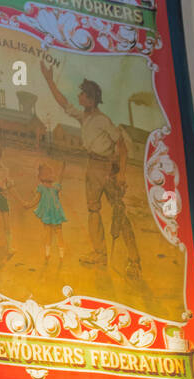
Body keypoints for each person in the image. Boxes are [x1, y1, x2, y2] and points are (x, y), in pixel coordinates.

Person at [39, 63, 141, 281]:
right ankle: (100, 254)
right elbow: (63, 103)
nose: (79, 96)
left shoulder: (103, 120)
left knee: (118, 213)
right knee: (93, 212)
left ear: (91, 98)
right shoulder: (84, 118)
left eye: (82, 94)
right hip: (92, 168)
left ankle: (134, 261)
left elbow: (121, 145)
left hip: (107, 169)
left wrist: (121, 174)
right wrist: (49, 80)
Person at [16, 161, 67, 260]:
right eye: (48, 173)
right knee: (48, 233)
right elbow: (36, 199)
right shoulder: (41, 188)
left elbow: (60, 178)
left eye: (51, 172)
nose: (51, 175)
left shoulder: (55, 186)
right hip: (48, 214)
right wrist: (28, 205)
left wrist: (63, 169)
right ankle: (47, 253)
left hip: (56, 214)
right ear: (41, 176)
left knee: (58, 233)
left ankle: (61, 253)